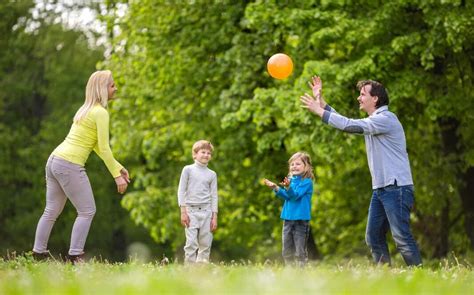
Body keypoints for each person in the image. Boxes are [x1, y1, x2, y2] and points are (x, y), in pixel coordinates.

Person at [300, 76, 422, 266]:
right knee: (373, 237)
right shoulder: (374, 120)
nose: (359, 98)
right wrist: (321, 101)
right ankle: (385, 277)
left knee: (402, 238)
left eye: (362, 94)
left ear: (375, 99)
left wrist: (319, 111)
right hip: (381, 189)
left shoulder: (386, 119)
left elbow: (350, 125)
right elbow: (347, 121)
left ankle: (419, 276)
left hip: (396, 188)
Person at [32, 70, 130, 263]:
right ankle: (75, 256)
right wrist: (117, 176)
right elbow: (103, 146)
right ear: (102, 89)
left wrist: (118, 167)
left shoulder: (85, 109)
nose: (116, 88)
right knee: (87, 211)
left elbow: (96, 147)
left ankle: (38, 254)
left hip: (54, 160)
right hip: (69, 164)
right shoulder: (100, 112)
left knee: (51, 210)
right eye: (112, 85)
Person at [263, 152, 314, 266]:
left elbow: (295, 195)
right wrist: (276, 188)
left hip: (301, 220)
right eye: (292, 164)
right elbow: (287, 196)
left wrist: (287, 187)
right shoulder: (290, 180)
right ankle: (289, 270)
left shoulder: (306, 182)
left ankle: (301, 271)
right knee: (286, 249)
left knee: (300, 250)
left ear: (306, 167)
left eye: (298, 164)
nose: (294, 166)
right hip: (288, 219)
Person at [177, 140, 218, 264]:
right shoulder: (188, 170)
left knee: (205, 243)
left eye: (209, 153)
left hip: (207, 212)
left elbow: (214, 196)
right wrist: (183, 211)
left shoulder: (212, 174)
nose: (206, 155)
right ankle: (189, 270)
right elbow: (181, 191)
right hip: (191, 211)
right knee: (191, 243)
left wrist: (214, 216)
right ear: (195, 154)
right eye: (203, 152)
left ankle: (201, 271)